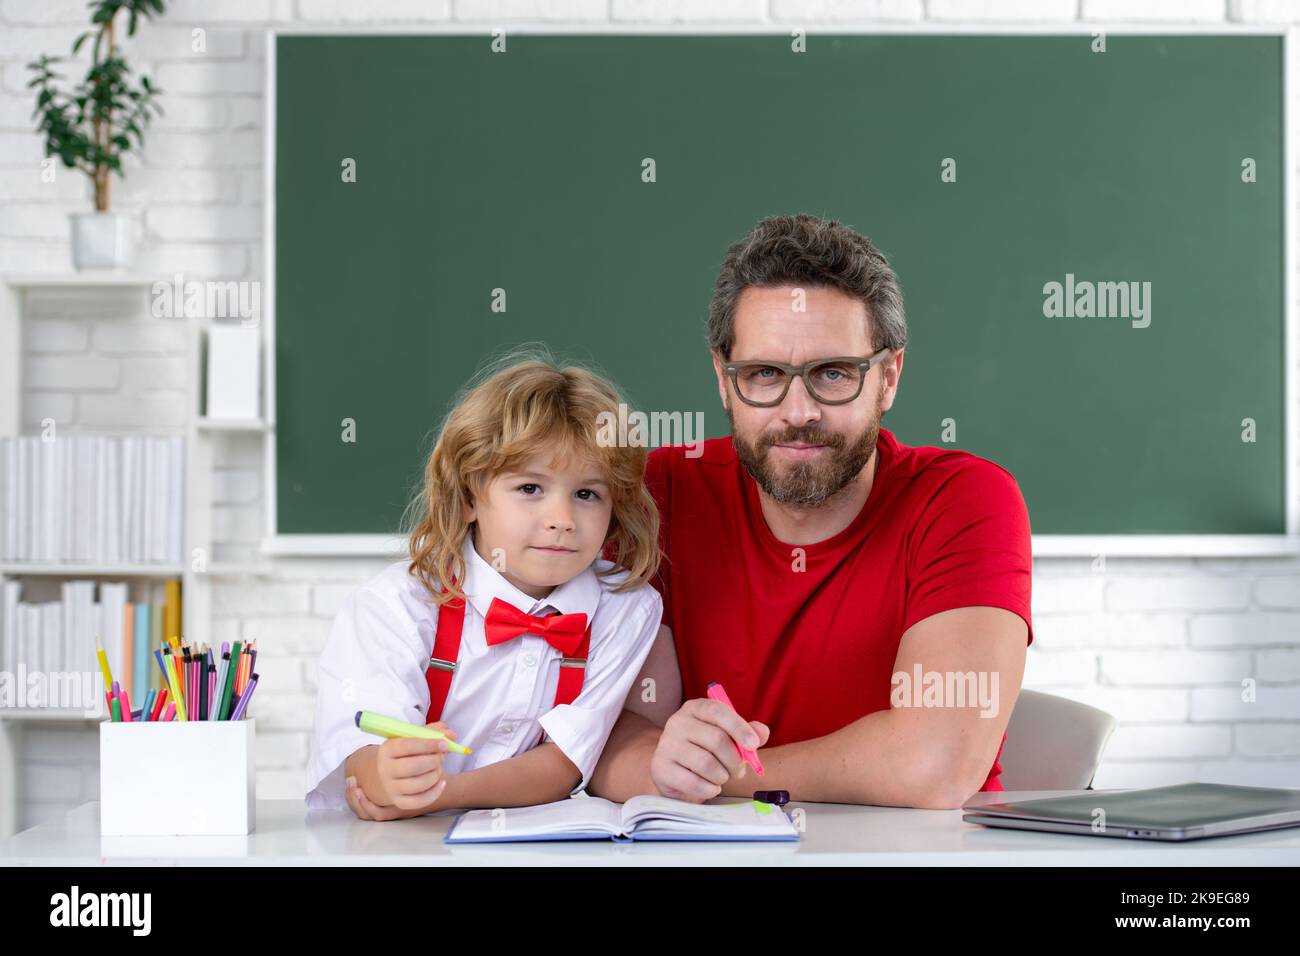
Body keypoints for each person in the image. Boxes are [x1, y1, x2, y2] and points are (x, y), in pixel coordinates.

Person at [305, 354, 663, 819]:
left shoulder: (625, 610)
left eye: (586, 494)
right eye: (530, 488)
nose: (561, 521)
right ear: (472, 495)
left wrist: (440, 795)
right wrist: (384, 776)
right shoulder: (395, 606)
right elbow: (359, 761)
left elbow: (561, 766)